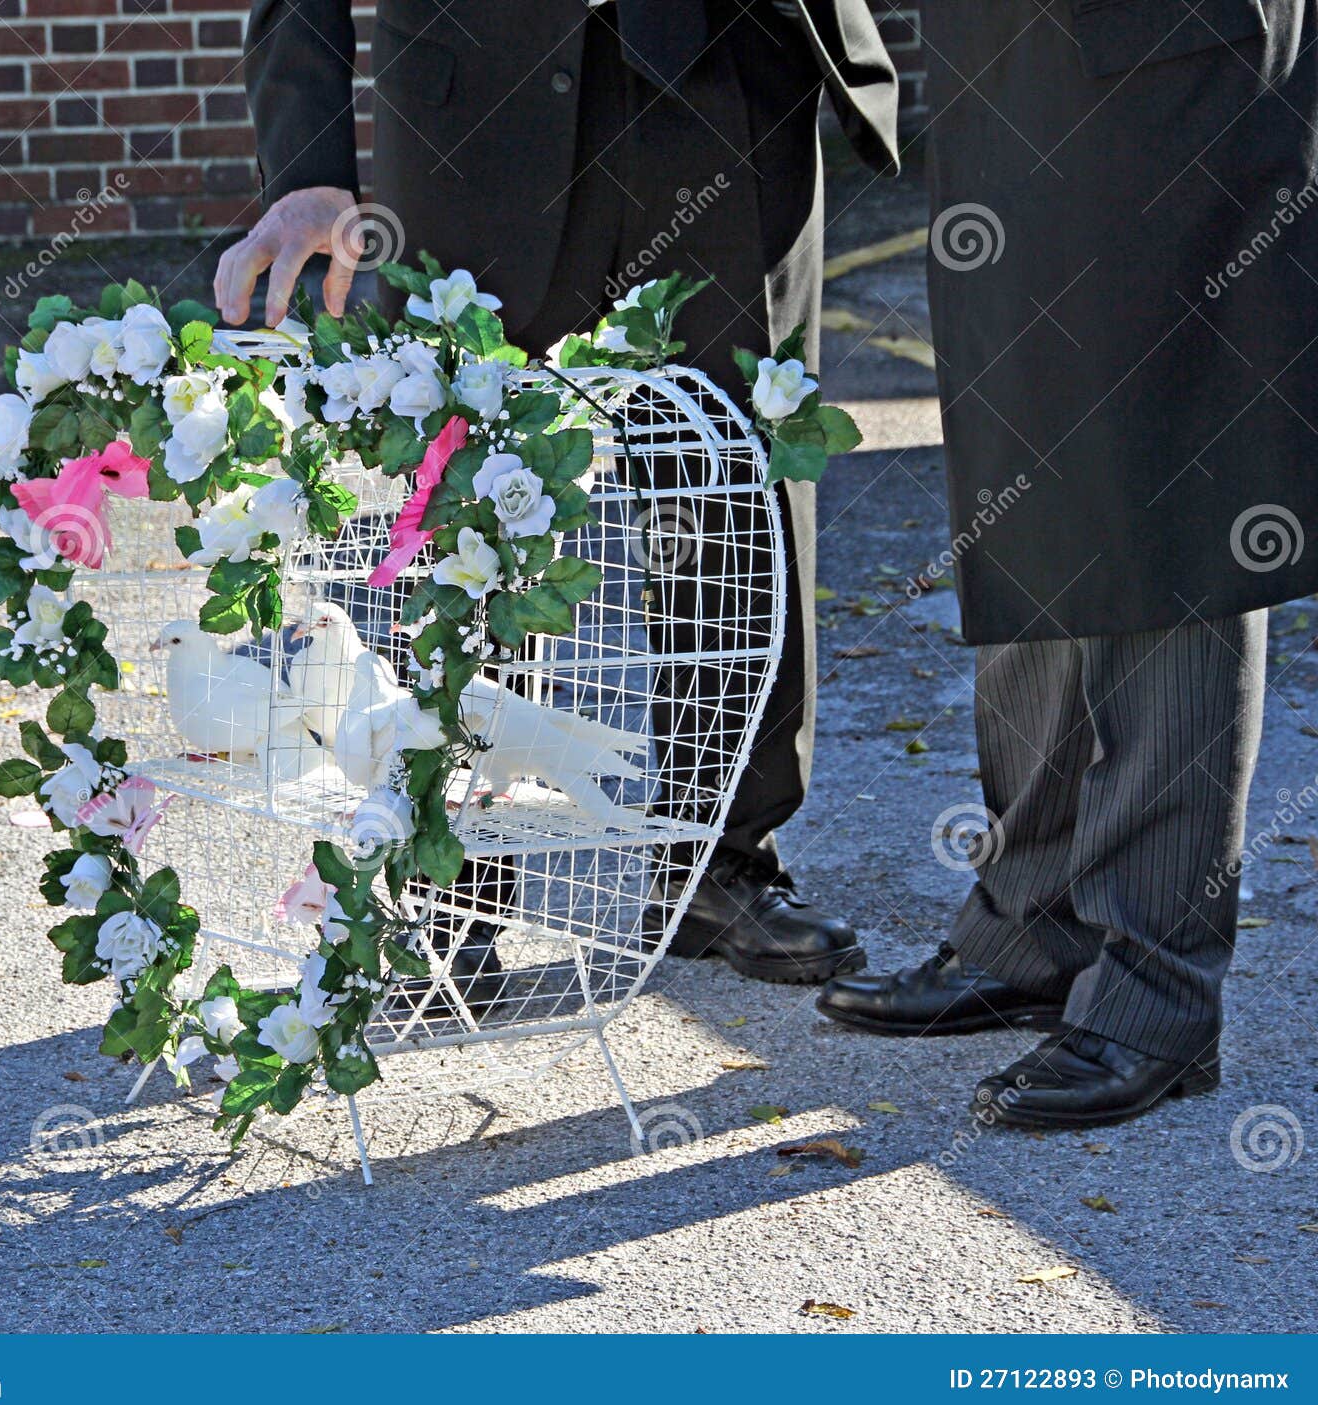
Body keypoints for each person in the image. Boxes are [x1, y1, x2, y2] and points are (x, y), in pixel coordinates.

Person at [217, 0, 901, 986]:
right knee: (471, 502)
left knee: (734, 488)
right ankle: (448, 871)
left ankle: (722, 858)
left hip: (725, 78)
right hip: (475, 109)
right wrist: (308, 163)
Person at [818, 0, 1318, 1127]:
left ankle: (1156, 991)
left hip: (1174, 55)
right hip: (1005, 58)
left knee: (1164, 490)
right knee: (1032, 462)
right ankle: (1030, 922)